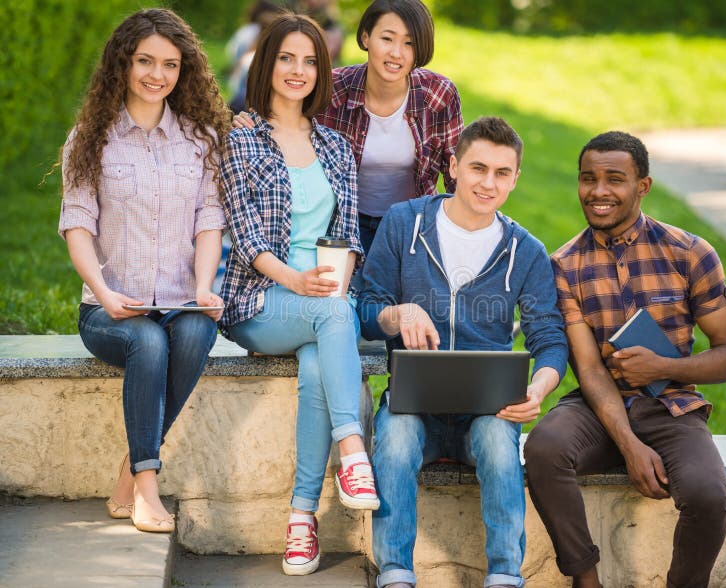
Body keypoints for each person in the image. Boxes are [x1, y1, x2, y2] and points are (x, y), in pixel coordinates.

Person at [524, 131, 726, 588]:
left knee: (707, 494)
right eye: (588, 179)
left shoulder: (690, 253)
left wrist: (664, 368)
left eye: (614, 179)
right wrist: (629, 445)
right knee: (544, 448)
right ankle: (586, 579)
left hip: (671, 405)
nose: (598, 191)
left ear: (642, 186)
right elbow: (587, 368)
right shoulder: (563, 265)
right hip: (597, 404)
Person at [357, 116, 569, 588]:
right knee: (393, 441)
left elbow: (550, 341)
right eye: (477, 168)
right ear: (453, 166)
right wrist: (400, 315)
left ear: (516, 179)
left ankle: (504, 575)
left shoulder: (526, 252)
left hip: (486, 411)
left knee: (499, 441)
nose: (487, 183)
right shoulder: (403, 224)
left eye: (501, 173)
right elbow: (368, 307)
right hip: (414, 404)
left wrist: (537, 388)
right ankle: (394, 572)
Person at [218, 13, 378, 577]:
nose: (298, 70)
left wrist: (335, 274)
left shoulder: (335, 146)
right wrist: (297, 281)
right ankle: (353, 451)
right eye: (286, 57)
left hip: (323, 306)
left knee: (320, 362)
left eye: (309, 60)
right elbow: (244, 236)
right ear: (267, 63)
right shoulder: (241, 137)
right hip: (261, 299)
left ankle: (301, 521)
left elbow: (351, 234)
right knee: (334, 317)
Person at [57, 9, 229, 533]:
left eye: (170, 65)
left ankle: (129, 473)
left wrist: (202, 287)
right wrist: (105, 292)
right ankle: (147, 491)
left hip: (178, 300)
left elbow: (208, 222)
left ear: (185, 71)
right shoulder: (91, 138)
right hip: (109, 311)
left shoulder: (201, 141)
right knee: (147, 344)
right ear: (123, 64)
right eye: (145, 62)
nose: (157, 75)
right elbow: (77, 226)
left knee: (199, 329)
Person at [234, 0, 463, 254]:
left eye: (409, 43)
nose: (396, 53)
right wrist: (253, 122)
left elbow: (456, 176)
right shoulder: (332, 89)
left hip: (412, 225)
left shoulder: (438, 95)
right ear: (365, 37)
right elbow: (285, 113)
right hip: (343, 227)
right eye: (387, 39)